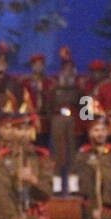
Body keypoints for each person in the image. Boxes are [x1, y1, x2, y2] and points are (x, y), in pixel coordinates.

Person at [47, 46, 84, 191]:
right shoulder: (54, 90)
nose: (68, 73)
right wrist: (54, 121)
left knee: (73, 153)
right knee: (58, 152)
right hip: (58, 122)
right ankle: (56, 186)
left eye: (71, 70)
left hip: (74, 124)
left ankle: (73, 185)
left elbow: (85, 111)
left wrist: (82, 126)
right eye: (65, 70)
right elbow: (48, 108)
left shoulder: (80, 90)